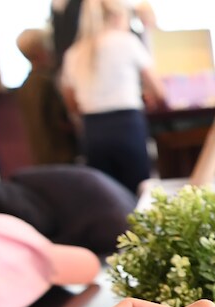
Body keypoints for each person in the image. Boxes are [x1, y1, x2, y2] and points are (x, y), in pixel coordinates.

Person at [60, 0, 166, 194]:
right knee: (140, 192)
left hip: (92, 129)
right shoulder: (126, 42)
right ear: (118, 16)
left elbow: (71, 101)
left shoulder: (74, 53)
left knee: (108, 194)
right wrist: (148, 97)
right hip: (126, 125)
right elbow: (158, 90)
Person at [15, 29, 78, 166]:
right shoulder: (47, 82)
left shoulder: (25, 85)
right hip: (62, 155)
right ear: (43, 50)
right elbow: (61, 121)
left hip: (42, 156)